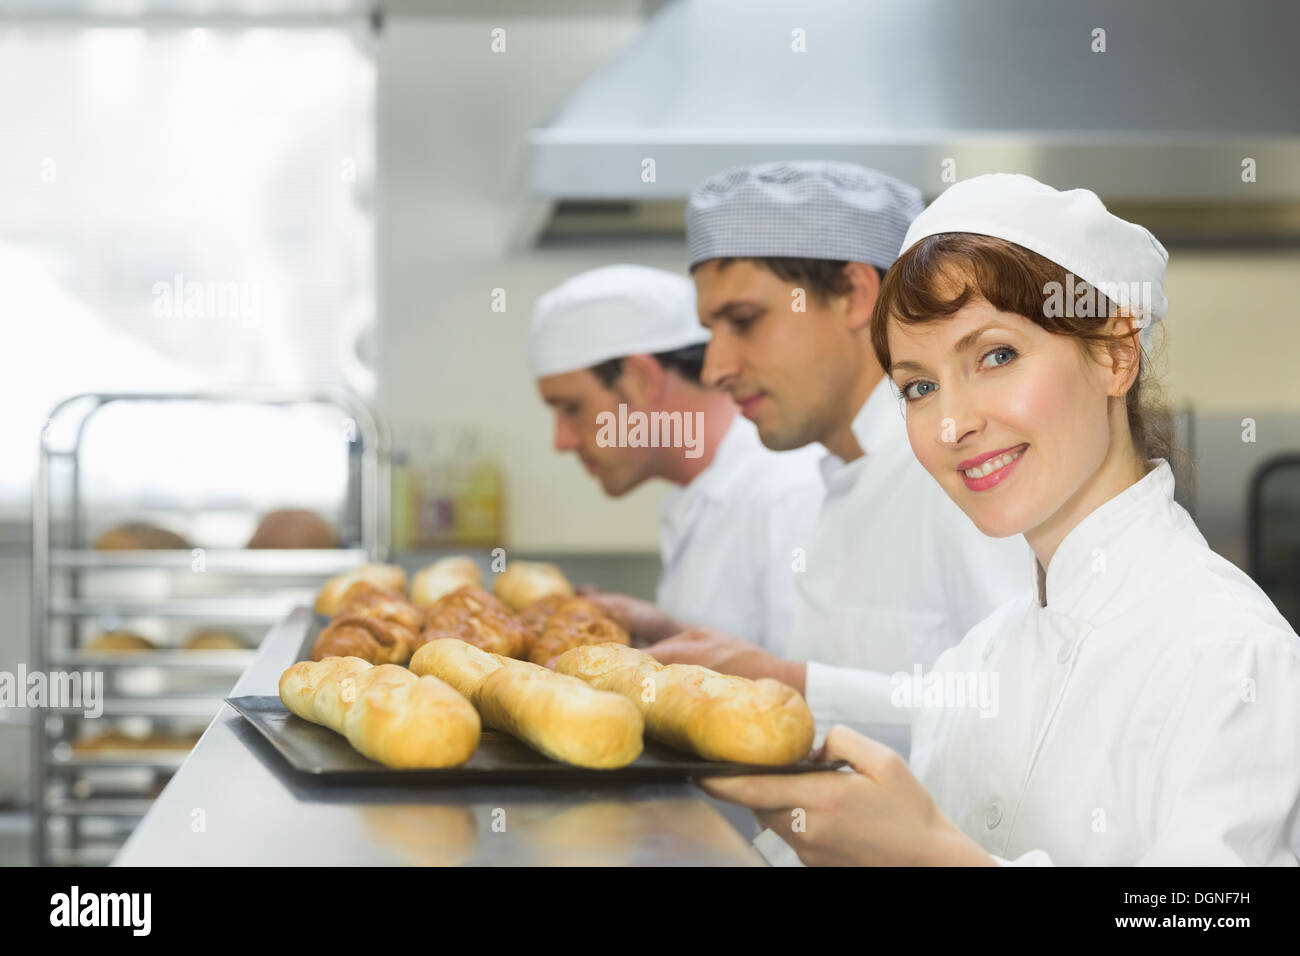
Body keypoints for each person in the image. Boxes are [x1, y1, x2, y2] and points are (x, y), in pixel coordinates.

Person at [702, 173, 1300, 866]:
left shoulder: (1233, 657)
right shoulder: (984, 654)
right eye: (919, 387)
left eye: (997, 355)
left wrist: (936, 859)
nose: (952, 425)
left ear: (1115, 353)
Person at [641, 161, 1029, 756]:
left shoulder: (961, 465)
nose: (716, 367)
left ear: (854, 295)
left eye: (744, 321)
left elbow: (1032, 706)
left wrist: (794, 684)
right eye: (711, 329)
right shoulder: (842, 477)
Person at [530, 263, 821, 651]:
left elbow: (808, 698)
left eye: (571, 408)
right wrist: (659, 633)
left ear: (641, 379)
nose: (561, 441)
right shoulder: (699, 498)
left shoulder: (789, 492)